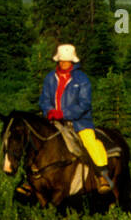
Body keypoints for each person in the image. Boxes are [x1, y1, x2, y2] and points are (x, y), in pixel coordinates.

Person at [39, 43, 113, 194]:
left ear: (72, 61)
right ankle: (29, 179)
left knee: (91, 143)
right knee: (36, 143)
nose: (62, 63)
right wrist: (49, 111)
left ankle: (102, 175)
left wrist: (64, 113)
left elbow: (84, 104)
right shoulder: (50, 78)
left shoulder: (82, 79)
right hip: (54, 121)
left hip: (80, 122)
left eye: (65, 61)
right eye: (60, 60)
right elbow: (44, 99)